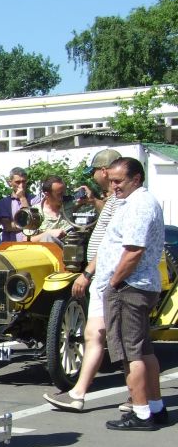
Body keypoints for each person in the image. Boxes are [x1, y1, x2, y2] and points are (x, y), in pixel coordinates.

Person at [43, 149, 122, 412]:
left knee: (124, 340)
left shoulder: (121, 199)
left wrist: (88, 273)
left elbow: (114, 241)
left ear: (104, 170)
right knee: (96, 334)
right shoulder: (112, 199)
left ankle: (141, 401)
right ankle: (79, 393)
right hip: (101, 275)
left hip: (109, 275)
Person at [98, 157, 167, 430]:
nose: (113, 187)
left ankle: (141, 413)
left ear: (136, 179)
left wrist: (114, 282)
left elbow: (133, 250)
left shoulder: (139, 204)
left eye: (118, 181)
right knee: (143, 350)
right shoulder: (139, 201)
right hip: (140, 285)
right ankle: (155, 407)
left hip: (131, 287)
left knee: (131, 354)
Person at [0, 167, 34, 243]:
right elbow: (7, 226)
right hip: (10, 244)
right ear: (10, 182)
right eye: (18, 182)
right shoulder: (4, 203)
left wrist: (22, 198)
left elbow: (33, 223)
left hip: (31, 243)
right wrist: (28, 224)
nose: (21, 185)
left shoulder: (35, 199)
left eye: (24, 181)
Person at [31, 175, 70, 243]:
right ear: (47, 194)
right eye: (59, 194)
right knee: (47, 238)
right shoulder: (35, 212)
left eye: (64, 193)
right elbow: (26, 240)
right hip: (47, 252)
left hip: (71, 251)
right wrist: (48, 234)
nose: (63, 197)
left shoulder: (72, 206)